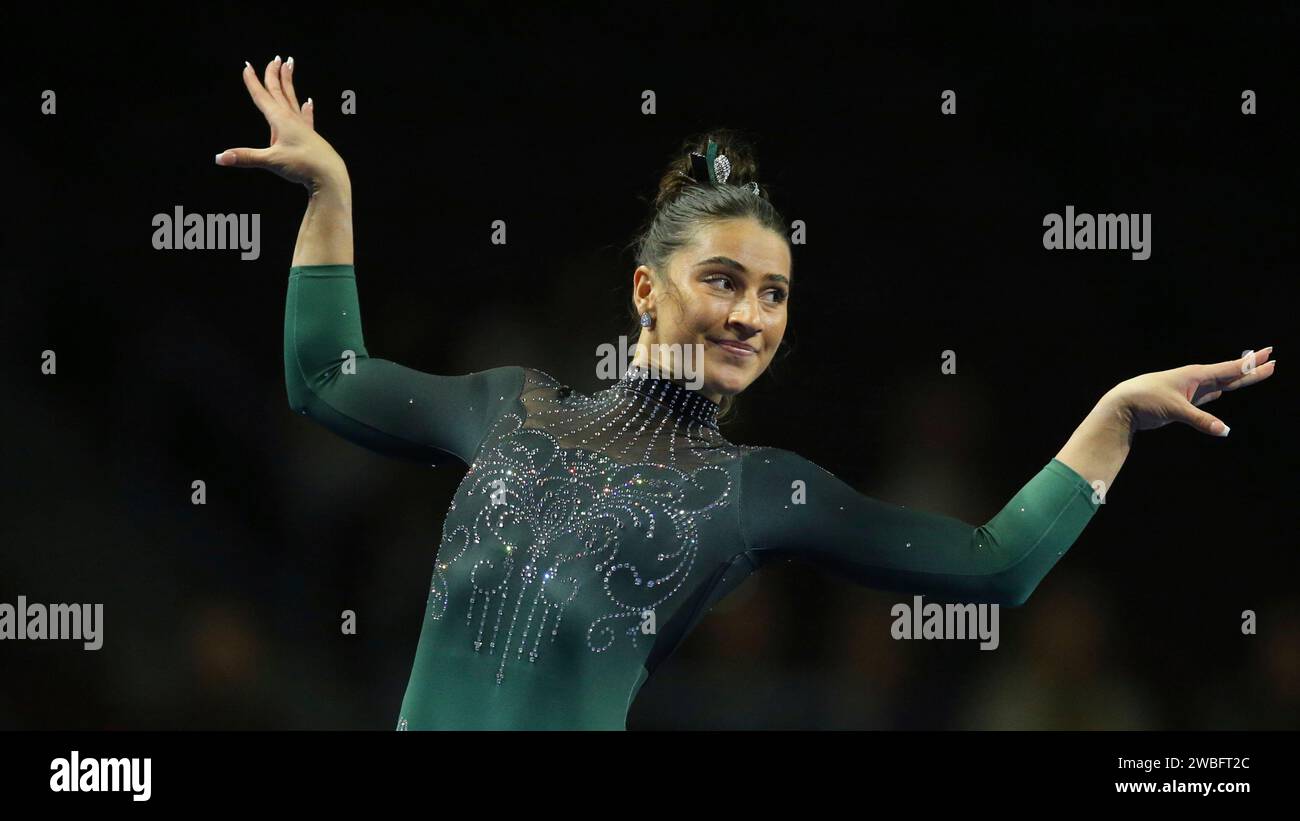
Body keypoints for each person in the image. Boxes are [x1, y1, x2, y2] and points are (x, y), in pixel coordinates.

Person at [218, 56, 1278, 730]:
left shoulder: (753, 493)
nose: (750, 315)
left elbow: (991, 568)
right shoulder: (510, 407)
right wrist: (332, 190)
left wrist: (1111, 421)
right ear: (646, 287)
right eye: (722, 280)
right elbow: (327, 380)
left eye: (773, 292)